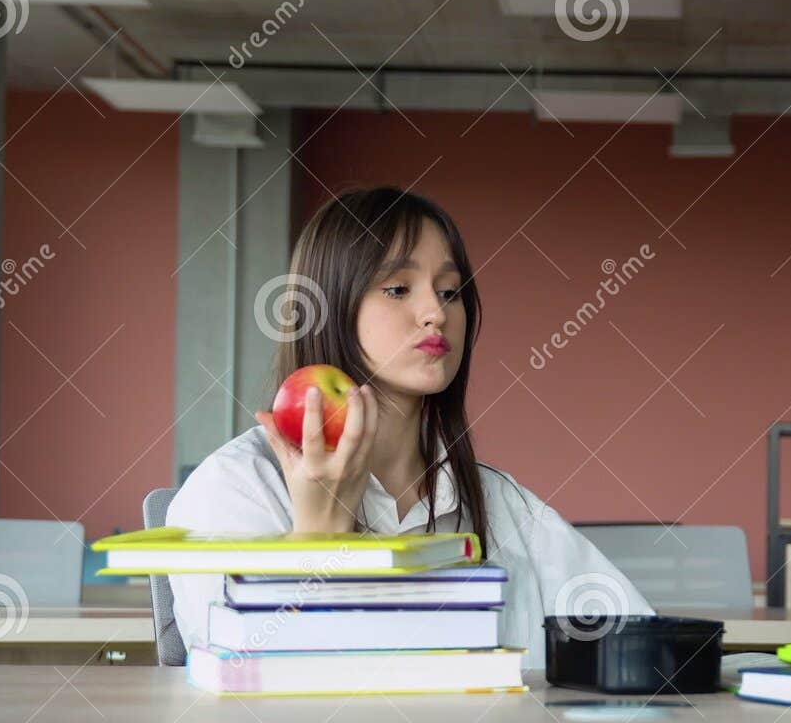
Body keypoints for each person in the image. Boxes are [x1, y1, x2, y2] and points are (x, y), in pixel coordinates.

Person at [166, 187, 650, 664]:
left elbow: (639, 643)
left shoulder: (502, 504)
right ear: (330, 306)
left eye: (450, 291)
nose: (436, 313)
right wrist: (320, 532)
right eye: (397, 288)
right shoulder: (233, 489)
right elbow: (250, 700)